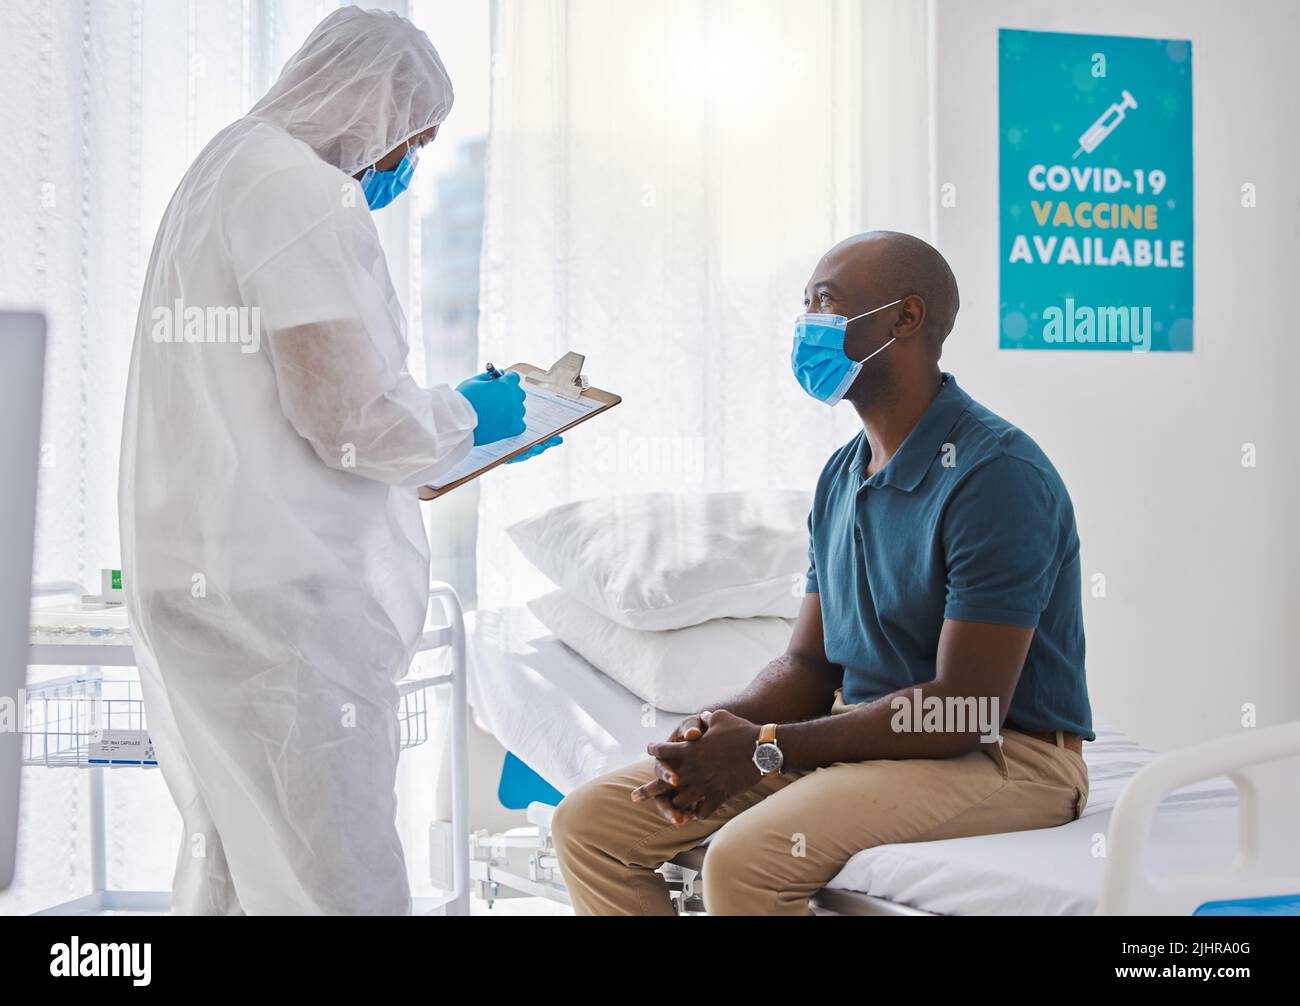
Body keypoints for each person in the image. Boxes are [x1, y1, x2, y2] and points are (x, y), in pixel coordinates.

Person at [118, 7, 551, 915]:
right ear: (374, 105)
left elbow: (291, 396)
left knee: (236, 862)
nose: (406, 163)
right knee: (339, 876)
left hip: (204, 579)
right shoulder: (300, 190)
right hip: (284, 604)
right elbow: (349, 418)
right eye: (413, 139)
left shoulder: (223, 167)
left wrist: (459, 425)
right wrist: (474, 415)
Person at [551, 231, 1093, 916]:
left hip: (1005, 756)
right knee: (588, 827)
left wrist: (767, 751)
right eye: (803, 306)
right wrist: (719, 734)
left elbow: (968, 709)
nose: (808, 325)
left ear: (905, 318)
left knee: (744, 862)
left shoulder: (995, 476)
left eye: (826, 303)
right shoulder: (842, 478)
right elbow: (810, 665)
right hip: (872, 738)